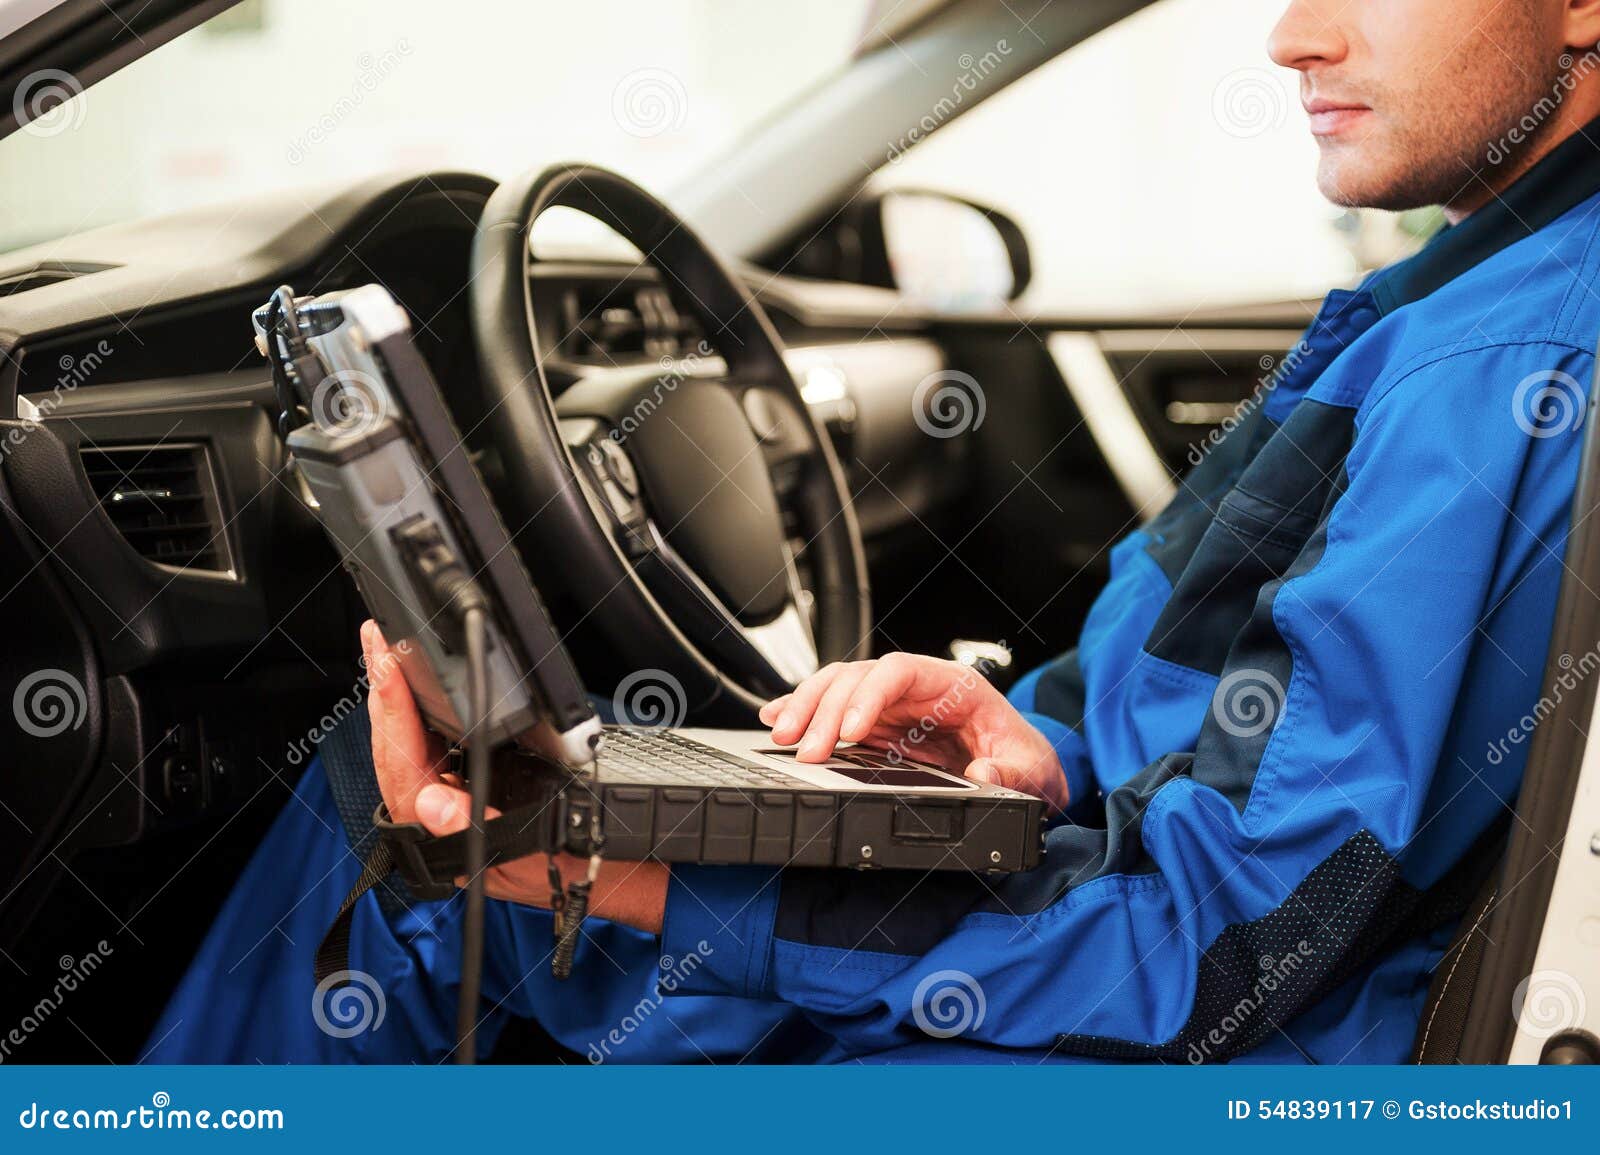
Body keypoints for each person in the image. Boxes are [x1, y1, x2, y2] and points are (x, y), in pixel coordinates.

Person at [149, 0, 1600, 1063]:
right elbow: (1244, 759)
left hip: (1185, 1040)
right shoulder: (1472, 298)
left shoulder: (1497, 375)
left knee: (408, 863)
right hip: (1131, 913)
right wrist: (1034, 752)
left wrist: (609, 872)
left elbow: (1223, 956)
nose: (1292, 35)